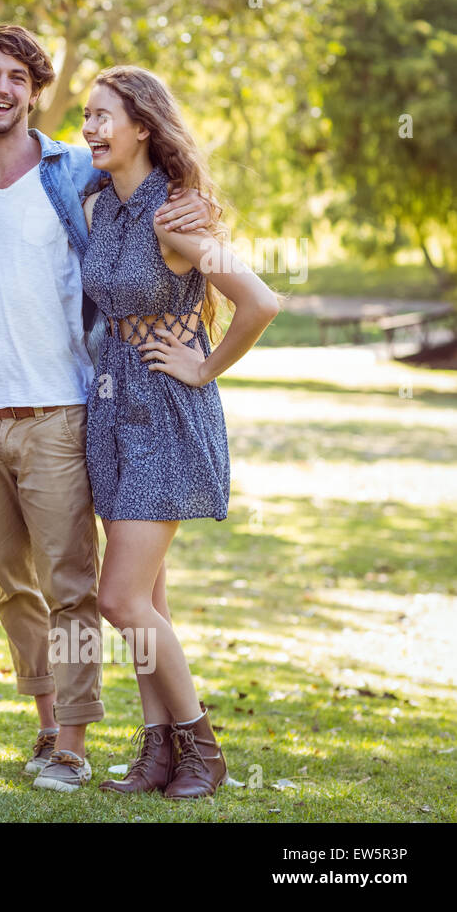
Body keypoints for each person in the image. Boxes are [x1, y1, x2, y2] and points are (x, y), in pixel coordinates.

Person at [0, 25, 212, 792]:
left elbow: (162, 218)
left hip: (61, 406)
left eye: (17, 77)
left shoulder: (73, 174)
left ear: (34, 92)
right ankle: (49, 725)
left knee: (75, 584)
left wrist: (191, 206)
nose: (1, 87)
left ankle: (78, 744)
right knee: (14, 584)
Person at [78, 65, 278, 798]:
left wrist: (204, 367)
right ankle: (158, 750)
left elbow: (258, 301)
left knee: (120, 599)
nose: (92, 128)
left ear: (143, 127)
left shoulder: (174, 216)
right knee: (149, 603)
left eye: (106, 117)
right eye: (87, 116)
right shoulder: (101, 204)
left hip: (165, 410)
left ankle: (202, 745)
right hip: (110, 408)